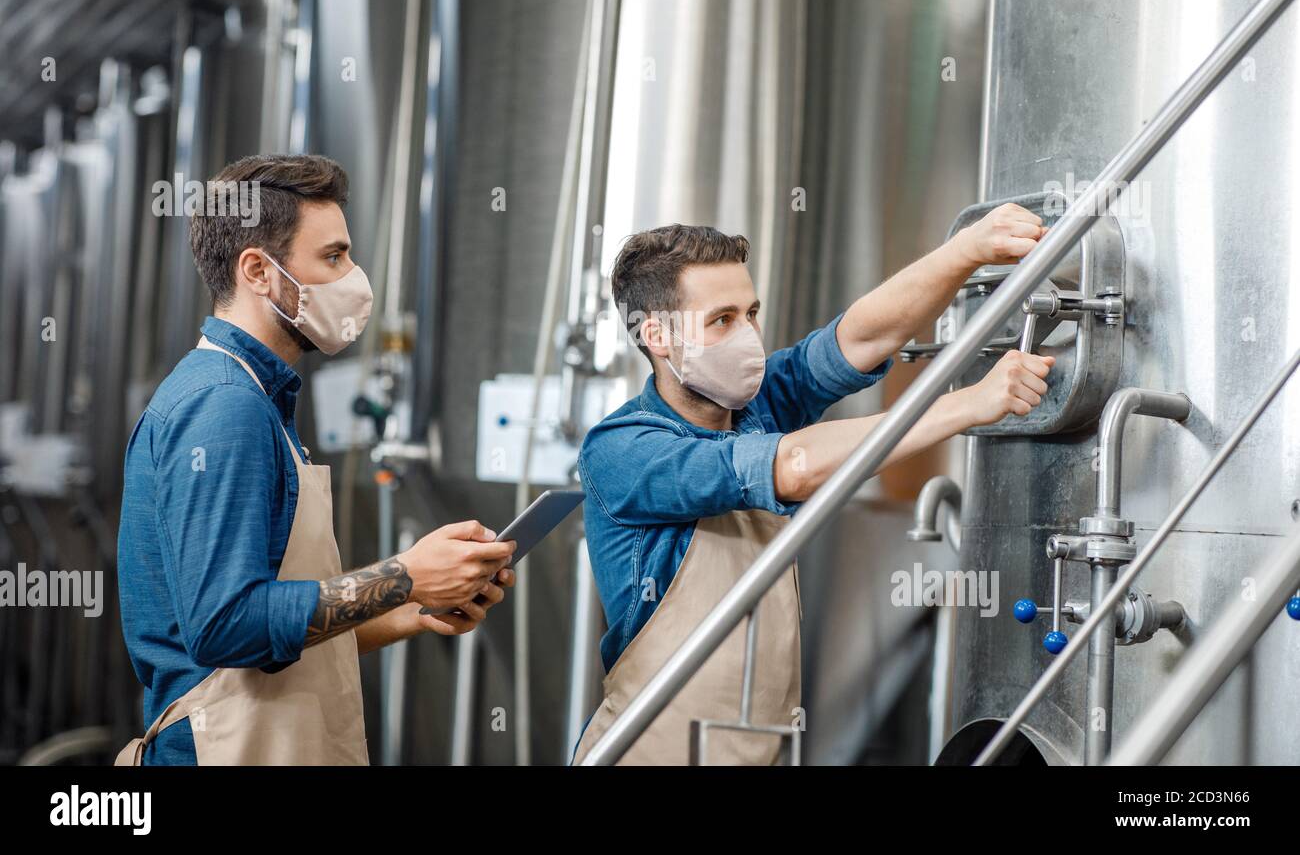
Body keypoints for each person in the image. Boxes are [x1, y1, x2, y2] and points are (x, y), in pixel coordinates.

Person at [571, 209, 1055, 764]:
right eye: (721, 320)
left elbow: (862, 338)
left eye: (751, 313)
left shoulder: (757, 408)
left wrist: (966, 251)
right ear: (655, 335)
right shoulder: (623, 449)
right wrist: (965, 404)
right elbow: (792, 467)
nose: (749, 337)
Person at [116, 154, 515, 765]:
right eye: (333, 257)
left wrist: (409, 607)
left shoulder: (256, 396)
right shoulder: (224, 406)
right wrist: (403, 574)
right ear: (259, 271)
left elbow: (274, 629)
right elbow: (225, 625)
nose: (354, 276)